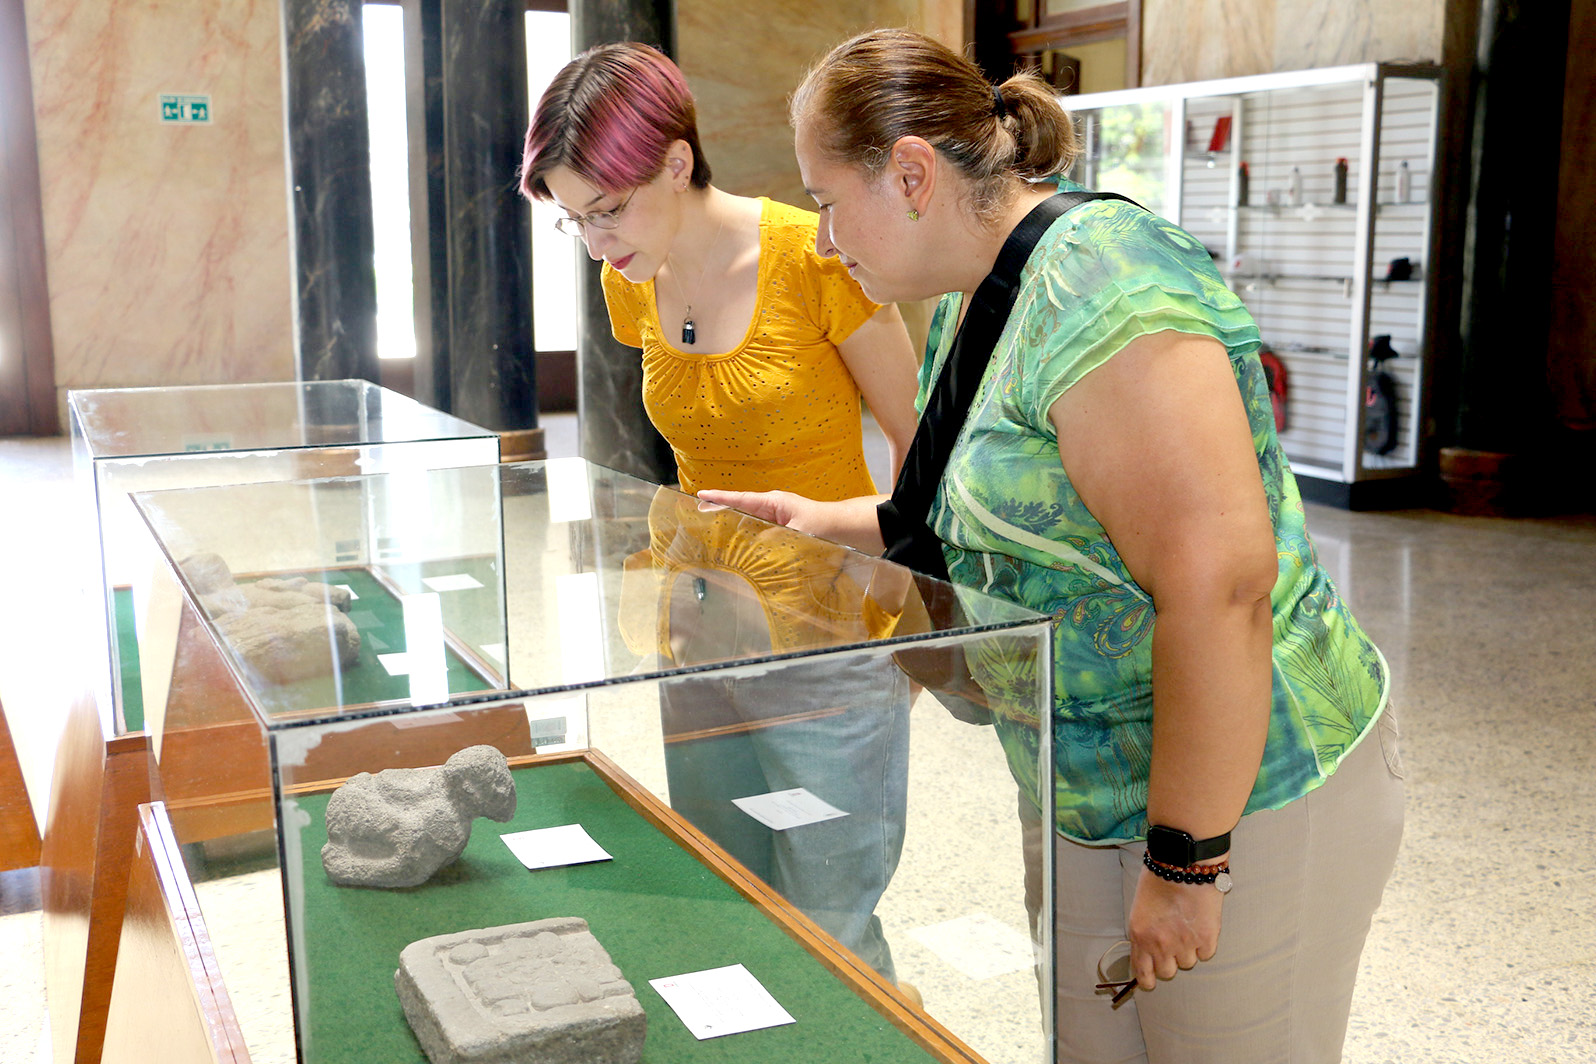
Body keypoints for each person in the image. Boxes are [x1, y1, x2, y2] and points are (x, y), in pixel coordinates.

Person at [699, 29, 1404, 1064]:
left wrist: (1188, 864)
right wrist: (823, 521)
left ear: (910, 173)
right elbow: (957, 506)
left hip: (1240, 800)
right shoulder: (983, 289)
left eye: (824, 198)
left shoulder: (1104, 283)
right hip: (1084, 786)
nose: (818, 237)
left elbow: (1220, 588)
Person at [518, 42, 921, 983]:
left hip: (826, 630)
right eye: (573, 220)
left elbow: (920, 451)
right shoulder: (632, 276)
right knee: (717, 890)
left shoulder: (814, 258)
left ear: (677, 161)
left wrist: (901, 619)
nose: (596, 242)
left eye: (607, 210)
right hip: (695, 625)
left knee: (832, 920)